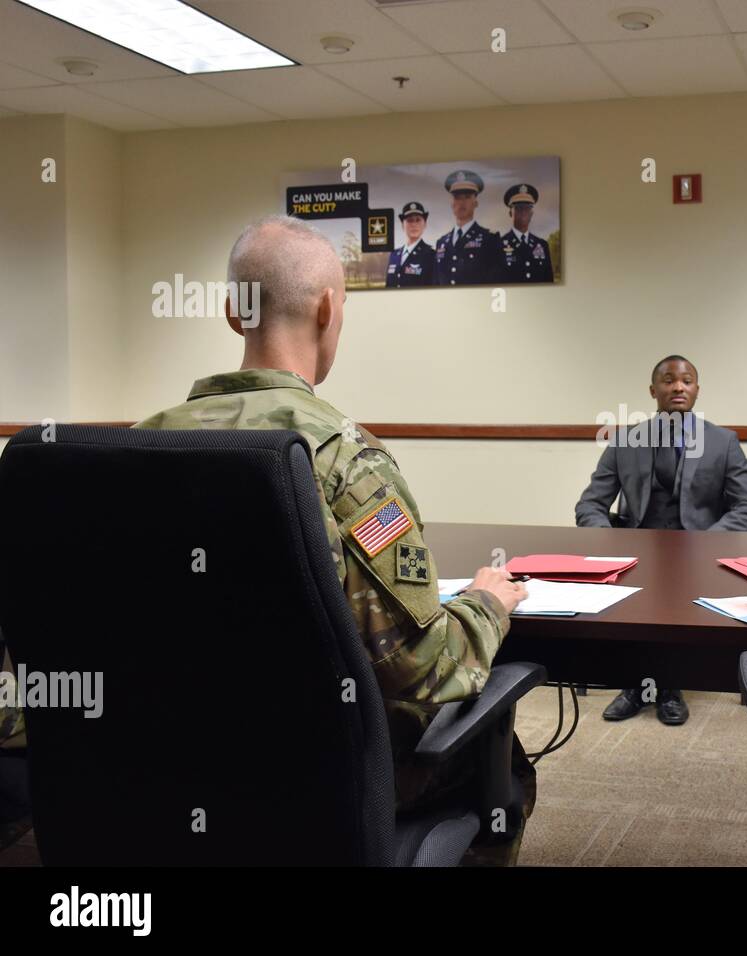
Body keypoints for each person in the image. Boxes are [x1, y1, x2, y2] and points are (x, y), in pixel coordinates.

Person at [133, 215, 533, 864]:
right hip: (313, 782)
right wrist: (488, 604)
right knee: (500, 757)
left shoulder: (137, 445)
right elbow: (423, 671)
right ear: (328, 310)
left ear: (235, 314)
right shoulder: (343, 458)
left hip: (157, 771)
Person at [576, 355, 747, 724]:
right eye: (668, 380)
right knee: (636, 602)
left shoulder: (723, 442)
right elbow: (590, 504)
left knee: (675, 601)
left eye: (687, 381)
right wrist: (612, 544)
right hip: (638, 551)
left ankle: (669, 685)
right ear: (653, 390)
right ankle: (636, 685)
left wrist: (707, 544)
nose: (678, 387)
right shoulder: (625, 441)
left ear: (696, 390)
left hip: (700, 552)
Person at [433, 170, 504, 286]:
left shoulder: (490, 239)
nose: (462, 202)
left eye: (467, 197)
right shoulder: (441, 242)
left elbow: (496, 281)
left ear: (475, 202)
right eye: (457, 197)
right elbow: (435, 283)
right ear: (452, 203)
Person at [499, 184, 554, 283]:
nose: (523, 212)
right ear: (510, 213)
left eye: (527, 208)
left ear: (531, 213)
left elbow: (549, 282)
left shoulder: (542, 245)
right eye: (519, 208)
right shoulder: (498, 245)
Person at [385, 201, 437, 287]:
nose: (414, 224)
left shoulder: (431, 255)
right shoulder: (394, 255)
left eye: (418, 220)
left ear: (425, 224)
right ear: (402, 225)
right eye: (409, 220)